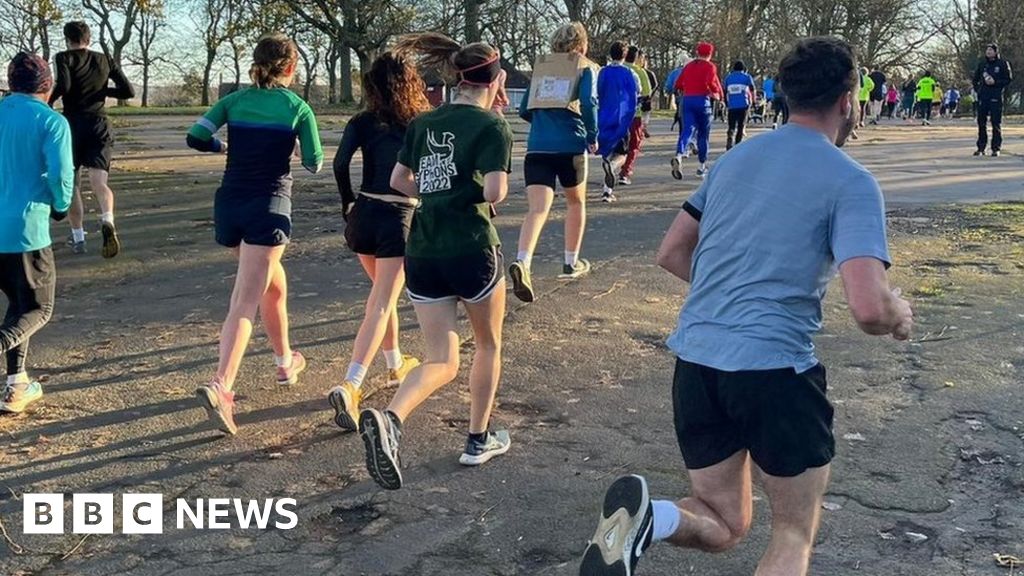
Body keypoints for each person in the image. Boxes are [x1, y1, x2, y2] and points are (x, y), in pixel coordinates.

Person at [580, 36, 913, 576]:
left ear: (783, 93)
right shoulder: (851, 181)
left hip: (697, 365)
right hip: (773, 372)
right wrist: (899, 315)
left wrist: (731, 289)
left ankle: (650, 518)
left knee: (725, 522)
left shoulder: (735, 159)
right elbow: (870, 308)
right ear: (848, 99)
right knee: (791, 537)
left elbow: (671, 252)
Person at [359, 32, 514, 490]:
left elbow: (399, 179)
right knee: (486, 345)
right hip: (471, 244)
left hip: (423, 246)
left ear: (456, 78)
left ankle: (391, 418)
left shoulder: (425, 123)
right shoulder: (492, 127)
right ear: (496, 79)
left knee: (441, 359)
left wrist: (437, 193)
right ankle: (477, 439)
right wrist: (471, 189)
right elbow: (495, 192)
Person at [185, 33, 323, 435]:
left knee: (271, 287)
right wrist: (294, 149)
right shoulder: (297, 108)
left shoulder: (233, 101)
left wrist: (220, 146)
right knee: (245, 299)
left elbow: (195, 137)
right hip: (269, 208)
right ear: (291, 68)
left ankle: (285, 362)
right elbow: (314, 163)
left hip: (230, 206)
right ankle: (222, 386)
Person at [326, 51, 431, 431]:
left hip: (364, 213)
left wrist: (347, 202)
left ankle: (394, 365)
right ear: (410, 83)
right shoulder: (419, 122)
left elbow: (340, 164)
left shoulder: (362, 120)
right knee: (382, 303)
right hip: (398, 215)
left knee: (378, 297)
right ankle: (351, 384)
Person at [0, 53, 74, 414]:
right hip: (25, 231)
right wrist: (60, 205)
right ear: (48, 85)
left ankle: (17, 386)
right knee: (39, 307)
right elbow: (61, 176)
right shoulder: (52, 121)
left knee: (18, 306)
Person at [509, 22, 598, 304]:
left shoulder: (542, 67)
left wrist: (542, 124)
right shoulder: (585, 66)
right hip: (570, 144)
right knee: (575, 202)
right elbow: (589, 101)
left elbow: (524, 109)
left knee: (537, 209)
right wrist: (592, 134)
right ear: (582, 45)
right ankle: (571, 261)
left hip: (537, 146)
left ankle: (523, 261)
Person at [48, 22, 134, 258]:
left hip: (73, 125)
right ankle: (107, 219)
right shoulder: (105, 59)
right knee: (99, 182)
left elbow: (64, 85)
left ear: (67, 38)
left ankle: (78, 238)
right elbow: (128, 91)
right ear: (89, 37)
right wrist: (104, 92)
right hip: (99, 124)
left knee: (73, 184)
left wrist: (48, 101)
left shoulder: (63, 57)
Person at [672, 42, 722, 180]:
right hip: (703, 102)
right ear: (710, 54)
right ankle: (701, 166)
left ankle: (679, 154)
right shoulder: (710, 66)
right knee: (703, 135)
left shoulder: (688, 67)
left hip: (687, 101)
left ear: (697, 53)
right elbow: (711, 83)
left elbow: (678, 84)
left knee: (687, 130)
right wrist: (715, 93)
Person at [596, 41, 638, 203]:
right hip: (622, 117)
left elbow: (598, 91)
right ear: (625, 55)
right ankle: (612, 168)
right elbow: (637, 91)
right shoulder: (629, 73)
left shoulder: (603, 72)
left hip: (604, 115)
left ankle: (607, 190)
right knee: (622, 153)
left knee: (607, 149)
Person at [618, 46, 652, 186]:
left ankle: (612, 163)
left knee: (618, 143)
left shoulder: (616, 69)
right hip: (634, 114)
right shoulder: (639, 72)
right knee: (634, 144)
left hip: (617, 113)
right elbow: (646, 93)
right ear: (637, 58)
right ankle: (625, 172)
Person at [973, 43, 1013, 157]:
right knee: (981, 123)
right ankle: (981, 148)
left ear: (996, 52)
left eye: (991, 50)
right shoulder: (982, 64)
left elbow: (1008, 79)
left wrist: (995, 83)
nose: (988, 52)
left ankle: (996, 148)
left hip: (996, 96)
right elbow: (975, 79)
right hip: (983, 97)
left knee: (996, 123)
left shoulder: (1002, 64)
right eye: (987, 50)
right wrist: (978, 91)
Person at [723, 60, 755, 150]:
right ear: (743, 68)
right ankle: (737, 145)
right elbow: (752, 90)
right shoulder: (747, 77)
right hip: (743, 105)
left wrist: (726, 103)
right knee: (741, 126)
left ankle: (730, 136)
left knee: (731, 125)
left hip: (732, 105)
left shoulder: (728, 78)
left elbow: (724, 91)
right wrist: (753, 100)